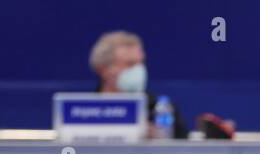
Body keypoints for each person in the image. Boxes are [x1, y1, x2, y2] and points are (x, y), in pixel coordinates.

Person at [89, 31, 234, 140]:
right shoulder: (82, 110)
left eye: (141, 63)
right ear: (104, 69)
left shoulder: (163, 108)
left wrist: (158, 138)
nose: (138, 70)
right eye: (130, 64)